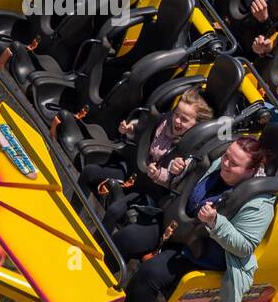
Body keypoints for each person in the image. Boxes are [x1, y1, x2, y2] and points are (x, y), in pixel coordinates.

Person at [116, 135, 276, 302]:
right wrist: (179, 171)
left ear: (251, 170)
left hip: (202, 252)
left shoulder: (260, 203)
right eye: (226, 156)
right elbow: (182, 186)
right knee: (126, 238)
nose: (225, 163)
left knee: (150, 273)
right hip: (179, 227)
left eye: (234, 163)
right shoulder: (218, 165)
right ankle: (93, 288)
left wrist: (216, 222)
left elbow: (245, 247)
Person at [85, 88, 214, 230]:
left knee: (115, 210)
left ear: (198, 126)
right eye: (176, 114)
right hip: (137, 172)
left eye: (184, 119)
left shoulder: (192, 150)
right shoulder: (165, 121)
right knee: (90, 171)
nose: (177, 120)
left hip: (152, 189)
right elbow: (145, 130)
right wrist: (130, 129)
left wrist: (160, 174)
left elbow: (176, 181)